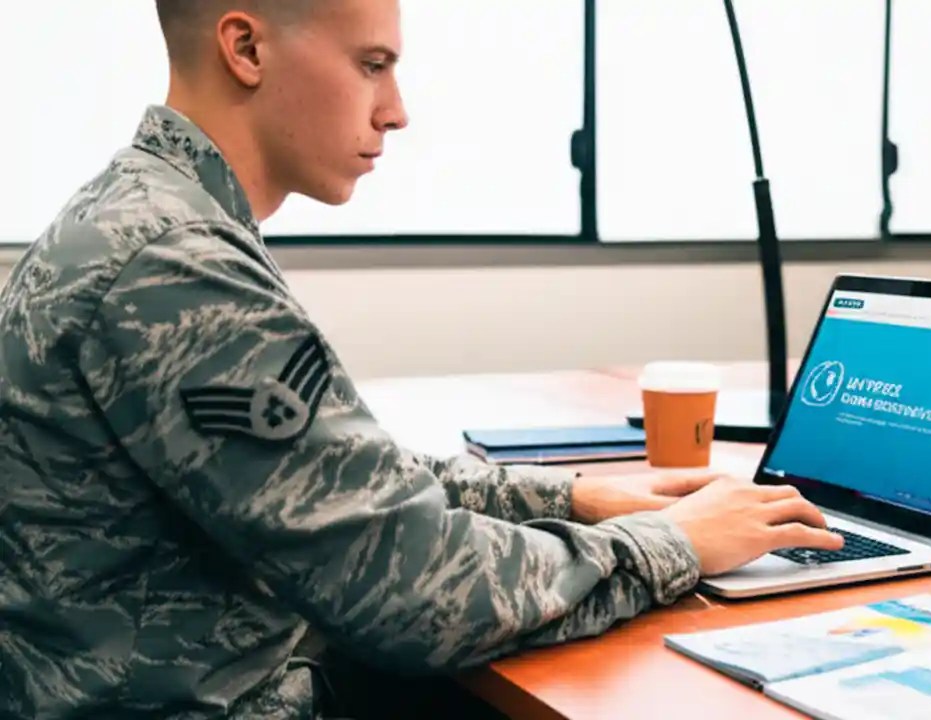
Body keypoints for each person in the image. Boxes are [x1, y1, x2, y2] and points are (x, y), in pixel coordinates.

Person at [0, 1, 843, 718]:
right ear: (246, 48)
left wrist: (578, 497)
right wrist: (671, 544)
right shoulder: (178, 265)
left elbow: (335, 485)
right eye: (372, 65)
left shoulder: (146, 217)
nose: (396, 110)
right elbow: (416, 592)